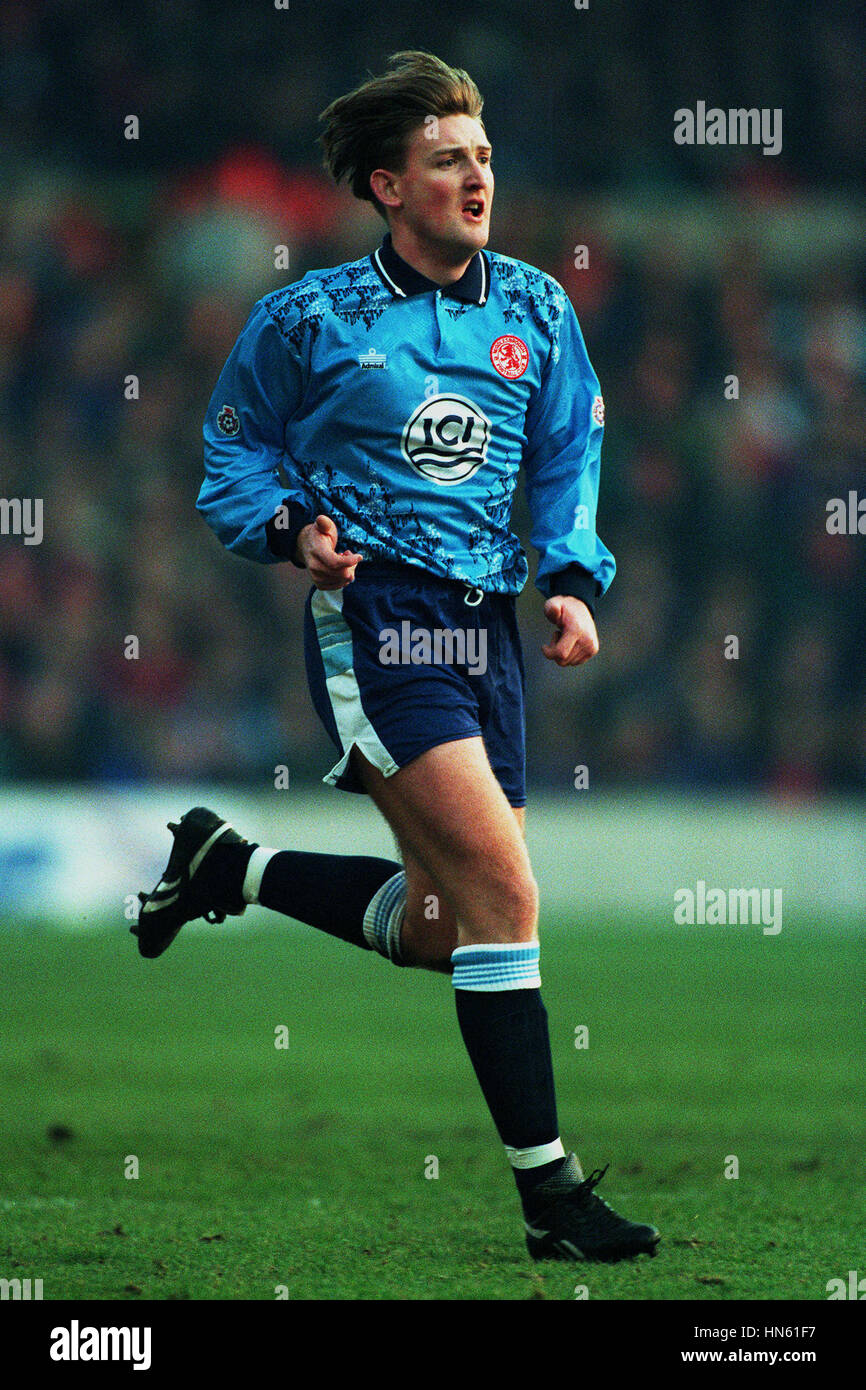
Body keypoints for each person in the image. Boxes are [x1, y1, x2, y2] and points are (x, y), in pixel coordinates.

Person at [133, 50, 659, 1265]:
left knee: (442, 926)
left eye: (481, 155)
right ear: (385, 185)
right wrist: (289, 528)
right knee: (508, 899)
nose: (476, 176)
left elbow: (566, 457)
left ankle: (233, 867)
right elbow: (233, 461)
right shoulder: (305, 319)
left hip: (485, 631)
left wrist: (572, 580)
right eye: (446, 160)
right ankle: (550, 1197)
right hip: (377, 623)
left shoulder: (535, 309)